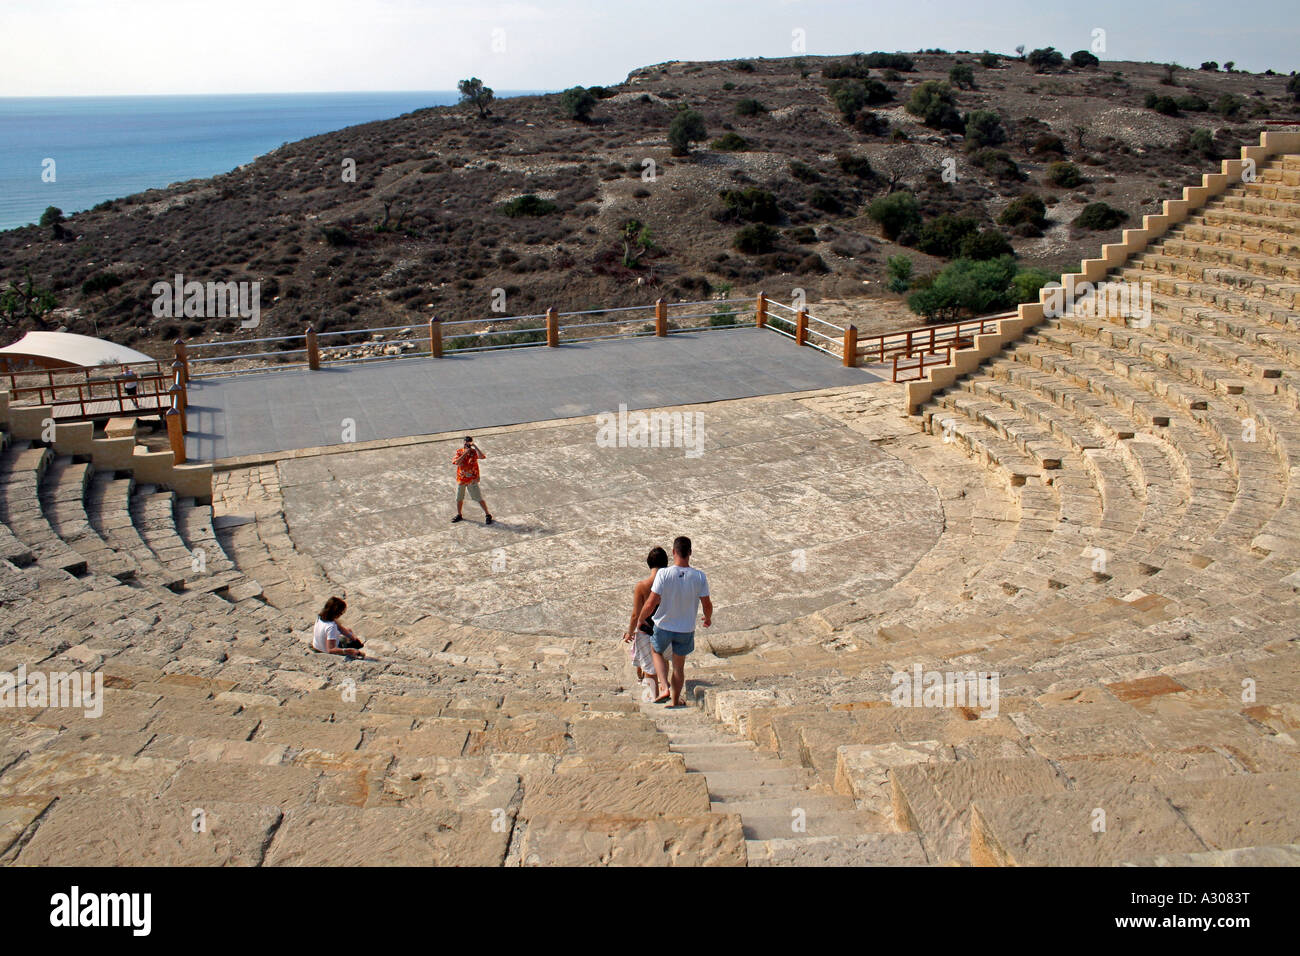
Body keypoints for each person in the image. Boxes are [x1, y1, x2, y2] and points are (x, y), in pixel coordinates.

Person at [636, 536, 712, 706]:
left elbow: (651, 602)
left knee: (656, 652)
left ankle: (664, 687)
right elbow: (707, 603)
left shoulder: (664, 573)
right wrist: (707, 618)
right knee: (679, 667)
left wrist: (641, 619)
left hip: (663, 625)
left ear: (673, 552)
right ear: (690, 553)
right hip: (686, 629)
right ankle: (675, 700)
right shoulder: (699, 576)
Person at [623, 546, 669, 701]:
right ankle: (664, 689)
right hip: (665, 628)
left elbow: (636, 614)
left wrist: (630, 632)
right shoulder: (669, 584)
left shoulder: (641, 586)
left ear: (649, 563)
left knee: (649, 667)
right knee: (663, 660)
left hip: (646, 631)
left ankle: (652, 695)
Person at [451, 436, 493, 525]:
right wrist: (465, 453)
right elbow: (456, 462)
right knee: (459, 498)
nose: (467, 444)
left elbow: (482, 457)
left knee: (478, 498)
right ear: (463, 443)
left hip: (472, 480)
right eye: (466, 443)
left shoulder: (474, 452)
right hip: (461, 480)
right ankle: (459, 514)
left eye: (469, 443)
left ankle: (488, 514)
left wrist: (475, 447)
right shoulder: (459, 452)